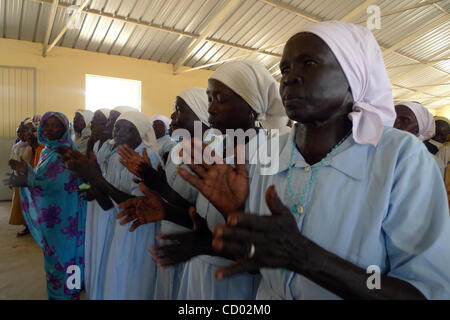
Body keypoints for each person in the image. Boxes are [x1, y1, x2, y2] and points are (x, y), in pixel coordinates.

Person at [181, 21, 450, 299]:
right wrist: (236, 218)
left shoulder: (399, 157)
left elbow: (425, 292)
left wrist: (307, 257)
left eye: (308, 63)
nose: (289, 78)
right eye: (285, 69)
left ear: (353, 76)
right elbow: (260, 266)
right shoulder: (272, 150)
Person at [150, 61, 287, 300]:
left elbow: (264, 247)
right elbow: (204, 219)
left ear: (251, 109)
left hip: (237, 280)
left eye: (220, 99)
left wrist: (203, 243)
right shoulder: (215, 149)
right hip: (201, 269)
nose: (211, 108)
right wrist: (167, 209)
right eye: (209, 97)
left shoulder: (267, 156)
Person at [61, 111, 161, 299]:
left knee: (132, 279)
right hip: (116, 225)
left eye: (127, 129)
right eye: (117, 127)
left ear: (139, 132)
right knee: (115, 276)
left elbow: (135, 205)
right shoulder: (115, 155)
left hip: (137, 230)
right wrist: (91, 182)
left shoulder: (148, 157)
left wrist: (95, 178)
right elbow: (108, 201)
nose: (119, 132)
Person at [6, 111, 87, 300]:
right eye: (46, 125)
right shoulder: (47, 151)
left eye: (55, 125)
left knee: (67, 259)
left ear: (64, 128)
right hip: (53, 220)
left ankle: (70, 294)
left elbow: (63, 184)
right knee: (53, 261)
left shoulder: (68, 151)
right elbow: (44, 179)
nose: (49, 129)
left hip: (68, 219)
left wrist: (30, 180)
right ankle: (56, 294)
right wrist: (29, 176)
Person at [393, 101, 445, 176]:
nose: (394, 123)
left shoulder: (431, 164)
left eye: (405, 120)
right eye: (393, 116)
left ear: (418, 130)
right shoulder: (374, 150)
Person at [8, 118, 34, 237]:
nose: (20, 134)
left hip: (28, 179)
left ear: (30, 132)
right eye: (18, 131)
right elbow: (12, 162)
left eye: (23, 131)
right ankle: (26, 226)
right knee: (20, 204)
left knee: (30, 204)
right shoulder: (16, 145)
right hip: (18, 179)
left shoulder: (32, 146)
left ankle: (32, 226)